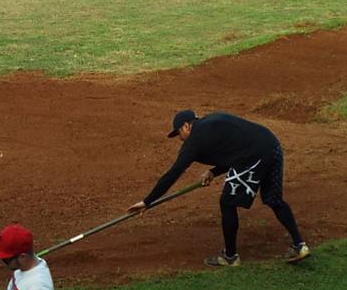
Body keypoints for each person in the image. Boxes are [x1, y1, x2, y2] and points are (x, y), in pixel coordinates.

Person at [128, 110, 311, 267]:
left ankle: (230, 257)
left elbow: (173, 173)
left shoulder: (195, 140)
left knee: (227, 203)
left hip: (253, 155)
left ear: (186, 126)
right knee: (273, 199)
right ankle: (300, 245)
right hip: (272, 144)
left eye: (178, 133)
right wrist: (214, 172)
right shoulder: (212, 122)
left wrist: (148, 201)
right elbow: (235, 149)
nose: (180, 139)